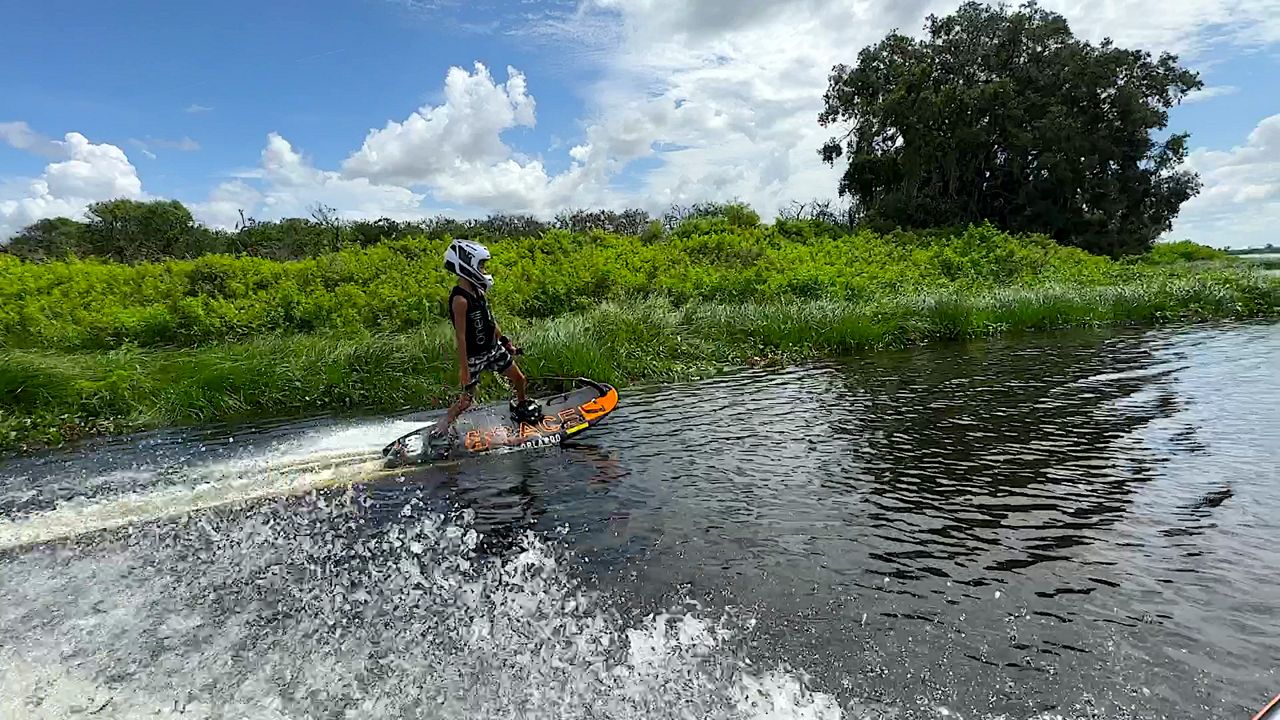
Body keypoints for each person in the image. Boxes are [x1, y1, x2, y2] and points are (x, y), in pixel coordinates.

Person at [428, 239, 541, 447]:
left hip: (492, 348)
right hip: (473, 355)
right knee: (466, 400)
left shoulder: (478, 292)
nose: (484, 270)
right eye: (481, 265)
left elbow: (490, 322)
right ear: (466, 264)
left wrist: (506, 343)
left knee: (519, 379)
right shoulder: (460, 300)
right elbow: (460, 336)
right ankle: (440, 428)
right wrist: (464, 369)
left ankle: (522, 405)